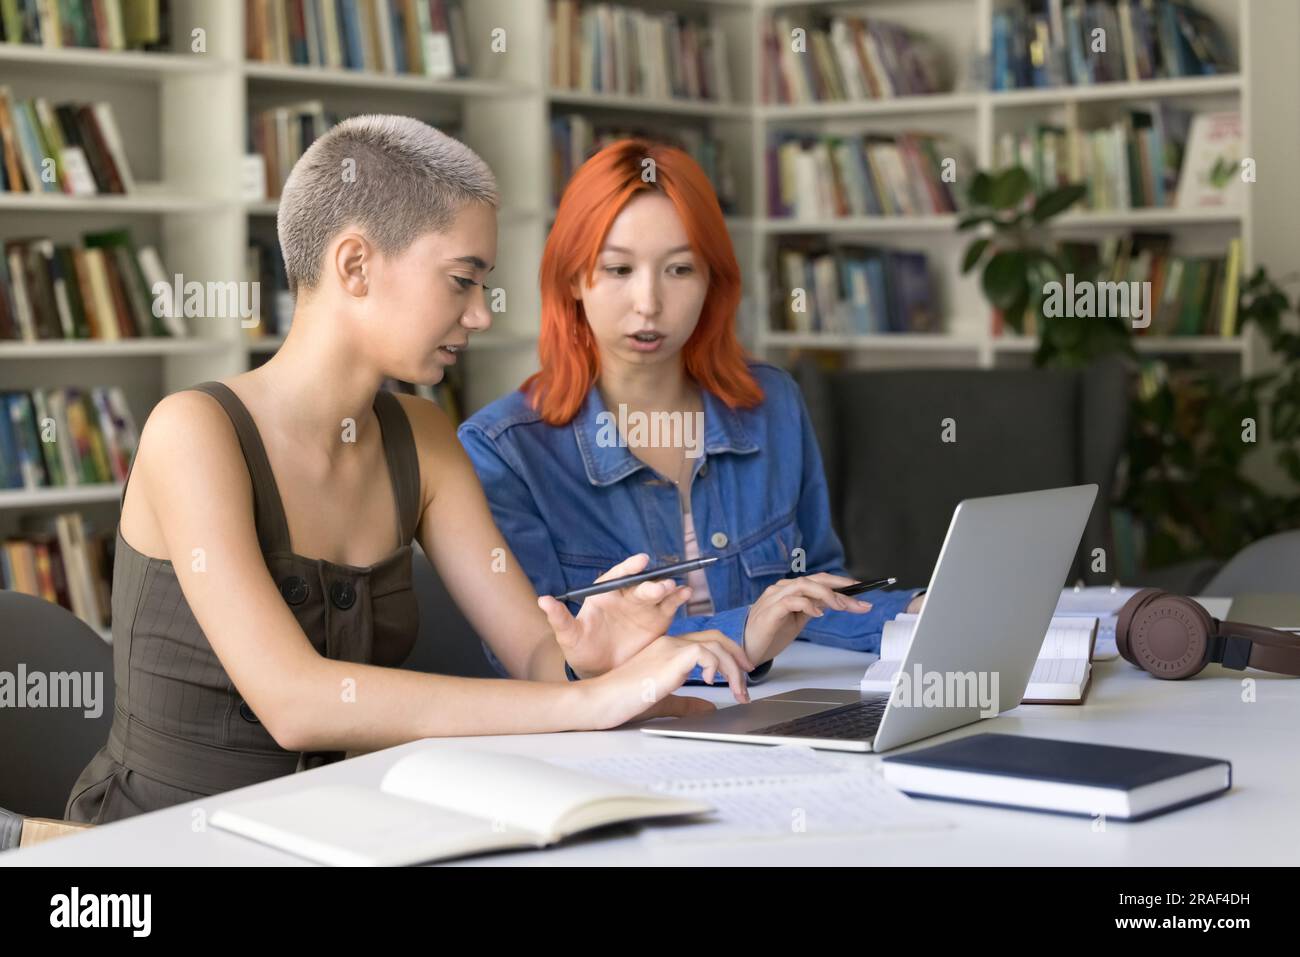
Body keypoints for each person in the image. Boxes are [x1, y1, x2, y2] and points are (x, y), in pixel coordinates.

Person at [66, 118, 752, 825]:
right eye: (462, 280)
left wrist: (587, 657)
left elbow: (534, 655)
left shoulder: (425, 439)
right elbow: (294, 703)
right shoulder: (194, 433)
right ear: (355, 265)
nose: (482, 314)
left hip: (340, 824)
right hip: (163, 840)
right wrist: (584, 701)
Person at [459, 140, 924, 685]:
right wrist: (745, 634)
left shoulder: (772, 405)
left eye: (679, 270)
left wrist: (915, 611)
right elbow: (545, 661)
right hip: (613, 737)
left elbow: (812, 588)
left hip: (773, 707)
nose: (649, 303)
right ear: (572, 280)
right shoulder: (506, 450)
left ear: (712, 282)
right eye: (618, 269)